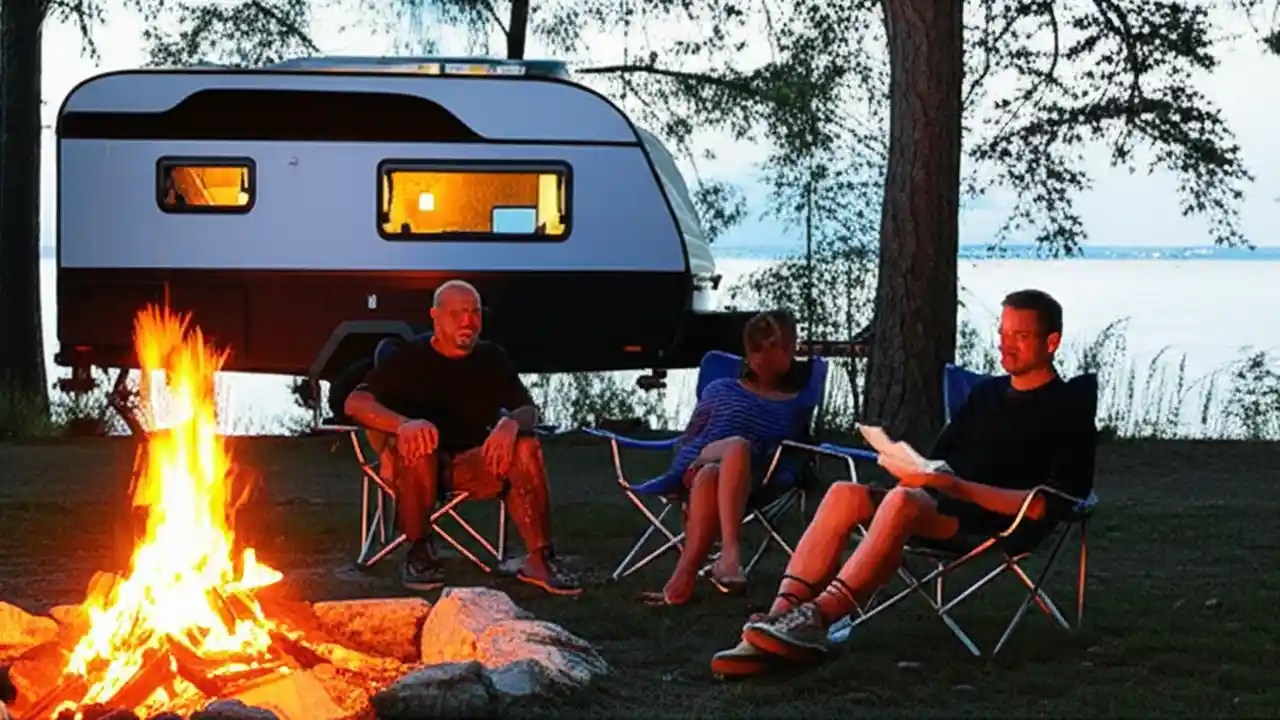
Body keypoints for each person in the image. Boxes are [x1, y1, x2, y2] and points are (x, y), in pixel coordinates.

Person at [711, 289, 1096, 675]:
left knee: (903, 502)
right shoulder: (986, 394)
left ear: (1052, 342)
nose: (1006, 346)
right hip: (941, 503)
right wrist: (913, 467)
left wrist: (952, 487)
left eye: (1021, 337)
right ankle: (779, 618)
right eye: (1003, 333)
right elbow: (941, 462)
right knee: (845, 493)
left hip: (996, 522)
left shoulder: (1067, 409)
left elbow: (1048, 503)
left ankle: (818, 618)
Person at [344, 279, 581, 596]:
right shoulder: (408, 359)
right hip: (418, 467)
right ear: (435, 316)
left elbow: (528, 410)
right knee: (419, 444)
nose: (468, 321)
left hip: (476, 463)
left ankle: (539, 559)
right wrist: (403, 425)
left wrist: (511, 423)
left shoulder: (491, 358)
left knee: (526, 445)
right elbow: (355, 403)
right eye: (458, 313)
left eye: (475, 312)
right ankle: (418, 550)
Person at [646, 309, 816, 606]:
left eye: (786, 349)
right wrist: (690, 462)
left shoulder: (794, 405)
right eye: (779, 349)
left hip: (749, 478)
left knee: (720, 468)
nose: (787, 355)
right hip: (700, 460)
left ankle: (680, 582)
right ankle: (729, 555)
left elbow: (795, 454)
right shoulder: (721, 389)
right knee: (733, 448)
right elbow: (690, 437)